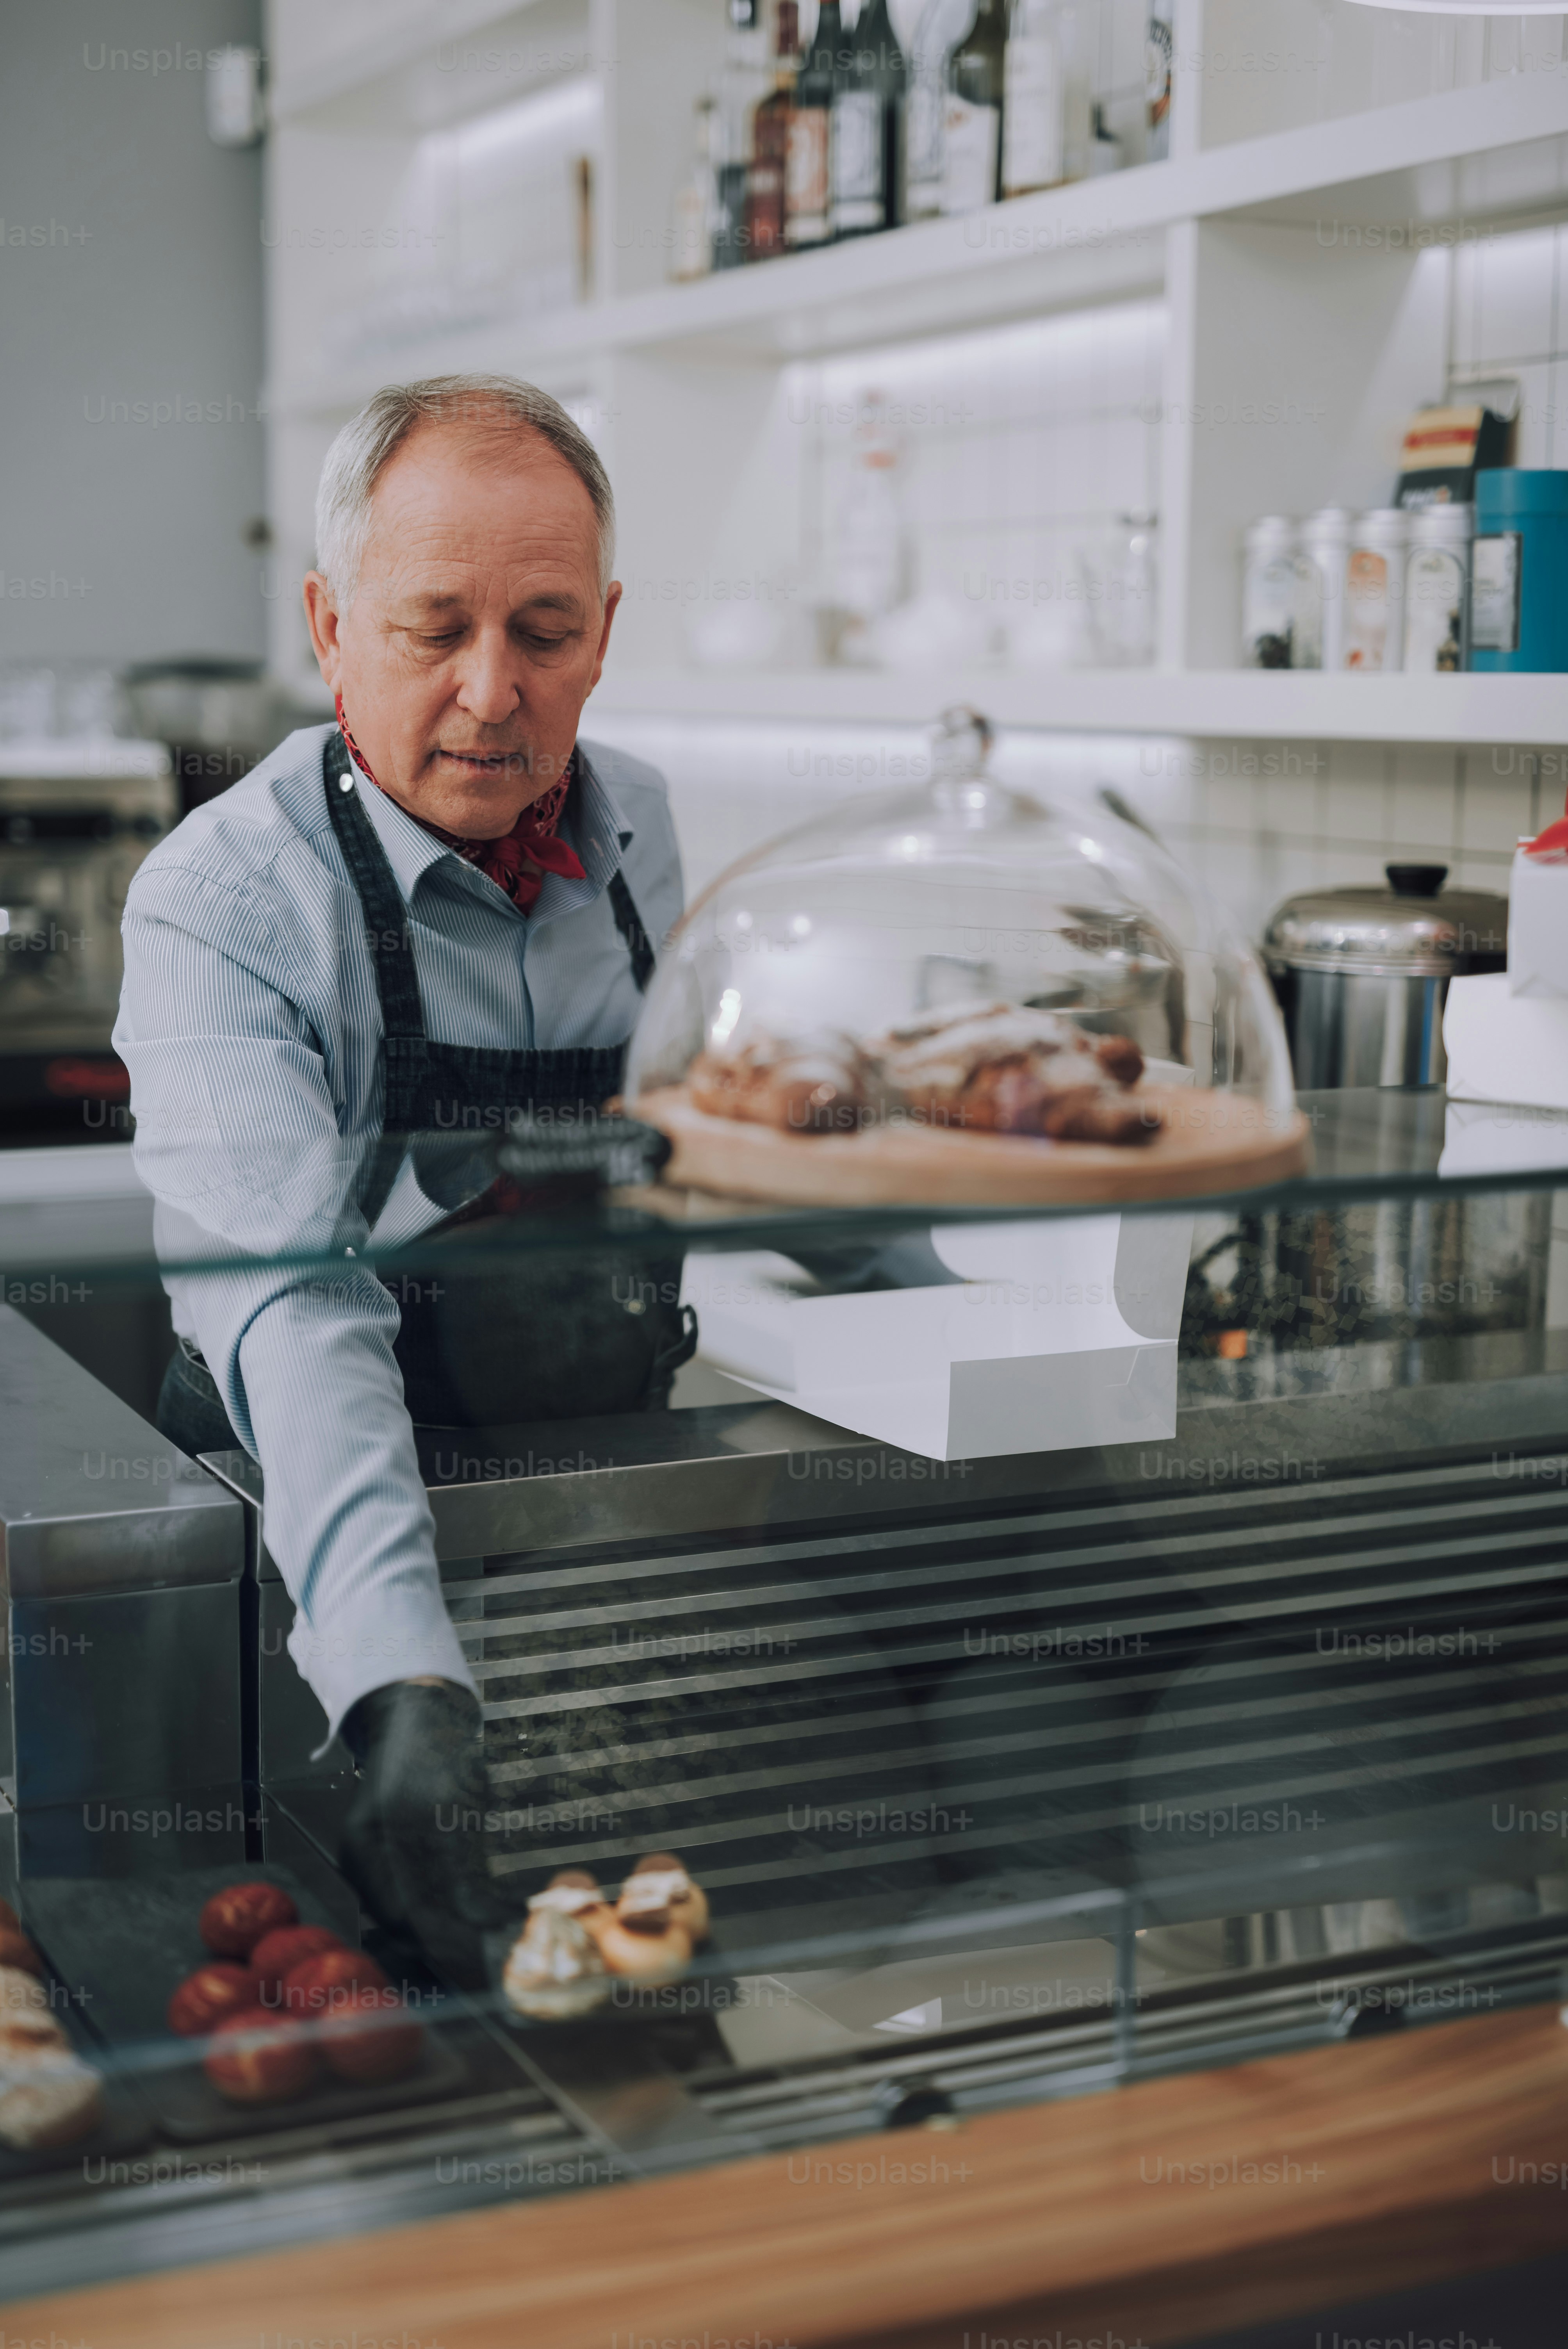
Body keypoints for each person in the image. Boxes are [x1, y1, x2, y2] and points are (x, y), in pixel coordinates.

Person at [114, 374, 688, 1984]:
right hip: (307, 1549)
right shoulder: (220, 900)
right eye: (433, 628)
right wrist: (405, 1691)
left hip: (590, 1513)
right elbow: (301, 1298)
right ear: (328, 622)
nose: (493, 694)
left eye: (547, 631)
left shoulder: (637, 825)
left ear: (608, 627)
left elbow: (711, 1150)